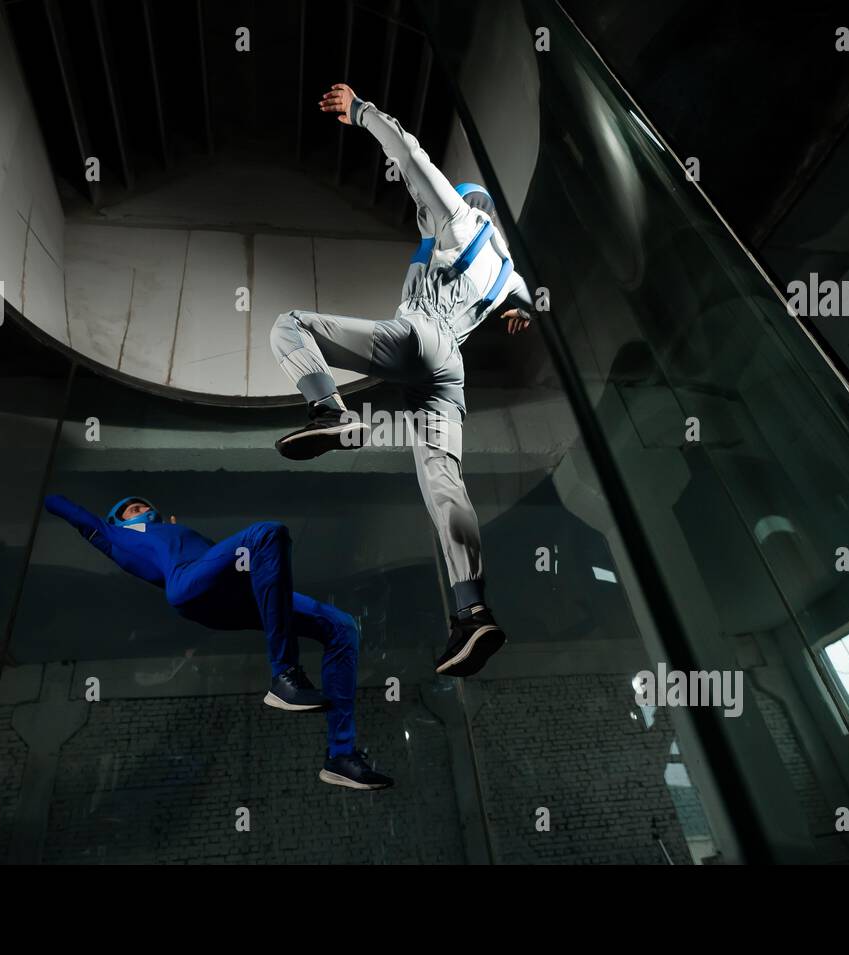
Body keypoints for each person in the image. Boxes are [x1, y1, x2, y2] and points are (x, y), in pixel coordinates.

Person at [269, 82, 535, 678]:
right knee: (443, 481)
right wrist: (521, 308)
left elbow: (411, 157)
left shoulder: (460, 217)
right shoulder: (505, 267)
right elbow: (524, 294)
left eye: (427, 210)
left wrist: (363, 112)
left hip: (421, 337)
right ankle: (473, 610)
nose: (423, 212)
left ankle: (332, 412)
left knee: (289, 326)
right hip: (450, 374)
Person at [43, 493, 393, 790]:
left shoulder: (176, 529)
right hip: (190, 588)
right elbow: (71, 512)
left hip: (237, 592)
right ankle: (285, 675)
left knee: (341, 627)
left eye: (145, 506)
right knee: (267, 533)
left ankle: (341, 755)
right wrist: (35, 486)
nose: (143, 510)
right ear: (115, 522)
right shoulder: (114, 536)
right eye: (132, 509)